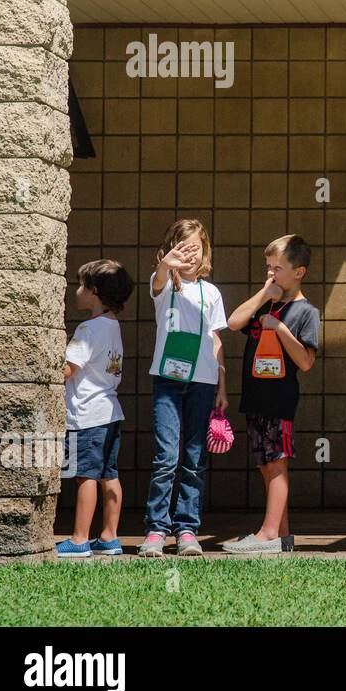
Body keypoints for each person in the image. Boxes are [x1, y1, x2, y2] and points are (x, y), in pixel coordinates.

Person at [223, 235, 320, 555]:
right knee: (266, 465)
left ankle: (267, 534)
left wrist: (278, 329)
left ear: (299, 272)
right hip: (255, 398)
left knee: (277, 464)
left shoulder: (307, 312)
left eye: (278, 269)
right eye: (268, 268)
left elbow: (306, 362)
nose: (271, 274)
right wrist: (265, 292)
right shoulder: (265, 302)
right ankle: (283, 534)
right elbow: (233, 322)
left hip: (280, 401)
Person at [139, 220, 229, 558]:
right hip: (168, 379)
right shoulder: (163, 285)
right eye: (184, 248)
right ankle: (156, 529)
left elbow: (216, 338)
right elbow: (160, 277)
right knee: (166, 456)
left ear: (206, 252)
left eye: (197, 248)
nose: (190, 255)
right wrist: (167, 263)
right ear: (172, 248)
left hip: (204, 382)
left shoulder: (212, 292)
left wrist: (223, 382)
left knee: (194, 458)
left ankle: (187, 527)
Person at [56, 260, 135, 558]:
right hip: (110, 411)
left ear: (95, 292)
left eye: (81, 286)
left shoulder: (87, 329)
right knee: (108, 474)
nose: (76, 291)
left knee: (84, 476)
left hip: (86, 414)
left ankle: (78, 539)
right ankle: (109, 536)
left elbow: (67, 370)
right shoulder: (113, 327)